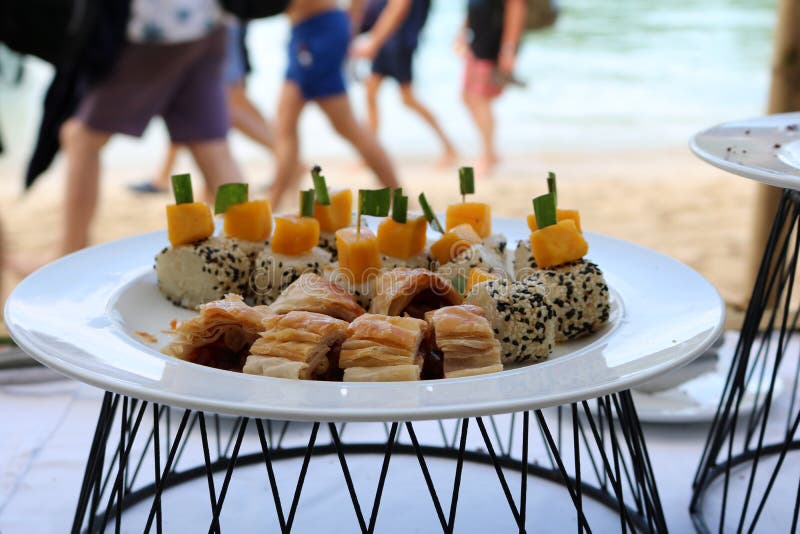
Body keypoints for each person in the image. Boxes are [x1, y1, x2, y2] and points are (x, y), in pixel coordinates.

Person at [60, 0, 241, 254]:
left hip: (156, 30)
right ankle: (247, 239)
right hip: (211, 23)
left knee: (80, 137)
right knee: (212, 145)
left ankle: (70, 252)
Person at [268, 0, 401, 210]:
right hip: (305, 31)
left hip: (321, 28)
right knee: (286, 124)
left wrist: (352, 22)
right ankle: (272, 202)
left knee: (344, 125)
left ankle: (400, 196)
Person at [129, 20, 288, 195]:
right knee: (193, 113)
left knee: (221, 114)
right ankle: (171, 179)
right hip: (197, 26)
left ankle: (288, 158)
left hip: (209, 25)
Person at [355, 0, 456, 167]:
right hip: (387, 42)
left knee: (408, 98)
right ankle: (370, 154)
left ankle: (449, 147)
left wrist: (374, 41)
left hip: (398, 44)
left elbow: (398, 8)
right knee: (371, 93)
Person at [459, 0, 526, 175]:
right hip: (477, 41)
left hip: (492, 44)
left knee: (480, 99)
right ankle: (491, 153)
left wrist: (509, 49)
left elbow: (516, 7)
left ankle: (488, 156)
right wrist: (463, 31)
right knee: (467, 97)